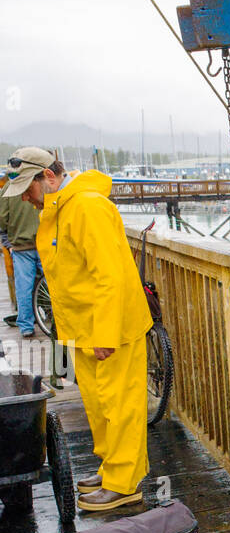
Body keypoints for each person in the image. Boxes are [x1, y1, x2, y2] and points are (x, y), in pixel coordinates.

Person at [1, 148, 151, 512]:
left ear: (49, 177)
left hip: (109, 328)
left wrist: (104, 333)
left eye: (27, 189)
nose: (24, 197)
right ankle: (111, 466)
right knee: (99, 405)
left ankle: (124, 483)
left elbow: (109, 275)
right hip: (82, 327)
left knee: (120, 405)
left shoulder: (86, 207)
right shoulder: (58, 209)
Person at [0, 169, 40, 337]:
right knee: (52, 284)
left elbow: (2, 218)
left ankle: (26, 326)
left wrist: (9, 239)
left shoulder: (8, 189)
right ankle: (56, 319)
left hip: (20, 245)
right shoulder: (36, 184)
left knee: (23, 287)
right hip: (43, 242)